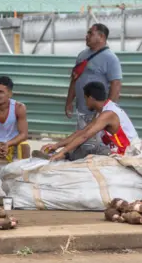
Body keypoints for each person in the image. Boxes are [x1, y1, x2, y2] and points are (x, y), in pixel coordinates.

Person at [42, 81, 140, 161]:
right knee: (85, 145)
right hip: (119, 149)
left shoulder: (108, 114)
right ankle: (62, 156)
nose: (85, 103)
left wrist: (63, 151)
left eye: (85, 99)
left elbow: (85, 136)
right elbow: (82, 132)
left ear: (91, 98)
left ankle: (63, 156)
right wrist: (56, 145)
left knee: (90, 147)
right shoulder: (102, 111)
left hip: (129, 152)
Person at [65, 23, 122, 153]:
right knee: (83, 141)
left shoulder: (111, 58)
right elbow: (74, 80)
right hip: (82, 110)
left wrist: (106, 111)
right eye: (88, 33)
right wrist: (69, 102)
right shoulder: (82, 55)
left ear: (101, 36)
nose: (87, 36)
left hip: (98, 113)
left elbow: (116, 84)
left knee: (97, 148)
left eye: (91, 33)